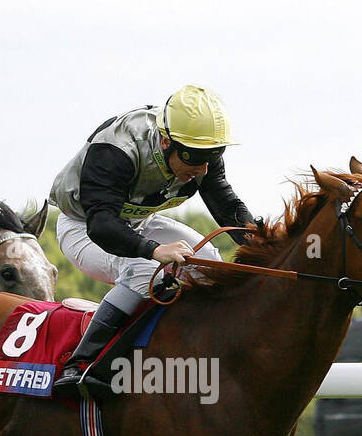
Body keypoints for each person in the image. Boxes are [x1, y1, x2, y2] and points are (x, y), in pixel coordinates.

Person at [49, 85, 255, 396]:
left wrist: (261, 236)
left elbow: (225, 203)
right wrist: (155, 250)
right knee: (147, 271)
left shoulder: (200, 152)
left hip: (140, 222)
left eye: (211, 158)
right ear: (165, 140)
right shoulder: (116, 149)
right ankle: (81, 364)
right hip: (84, 227)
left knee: (209, 263)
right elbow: (102, 225)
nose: (202, 168)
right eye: (194, 158)